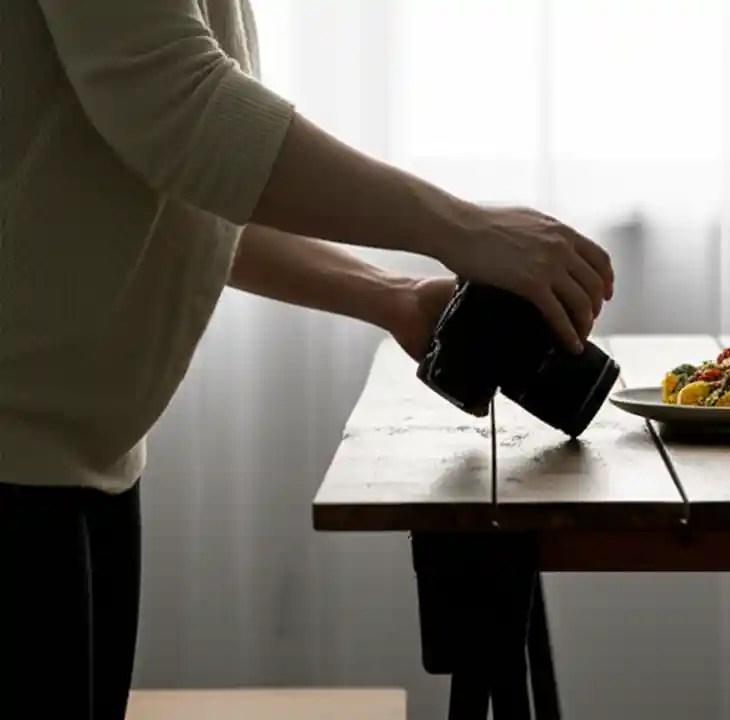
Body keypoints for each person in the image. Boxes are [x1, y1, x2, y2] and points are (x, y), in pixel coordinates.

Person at [0, 1, 614, 718]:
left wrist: (395, 298)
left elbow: (195, 180)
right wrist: (462, 226)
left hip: (80, 449)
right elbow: (185, 114)